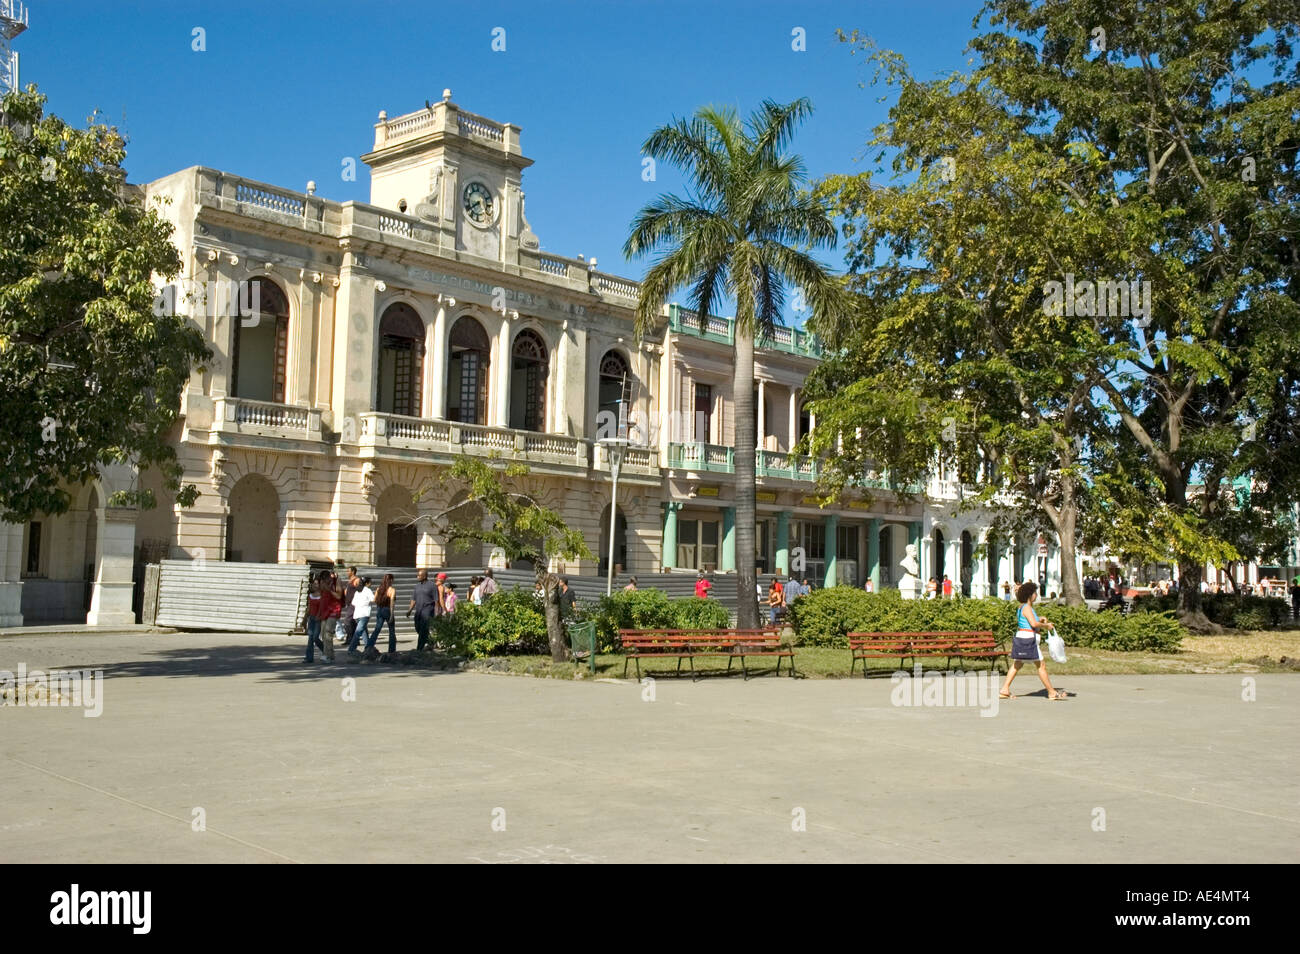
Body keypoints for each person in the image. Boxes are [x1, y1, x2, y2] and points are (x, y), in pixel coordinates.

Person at [1000, 580, 1066, 701]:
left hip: (1023, 637)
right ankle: (1051, 692)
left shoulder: (1023, 607)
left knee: (1017, 664)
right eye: (1035, 593)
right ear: (1030, 595)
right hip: (1029, 639)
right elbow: (1033, 623)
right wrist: (1047, 626)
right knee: (1041, 665)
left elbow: (1030, 620)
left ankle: (1005, 689)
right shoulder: (1027, 608)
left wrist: (1040, 619)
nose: (1036, 595)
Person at [407, 569, 439, 651]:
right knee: (418, 628)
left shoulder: (432, 586)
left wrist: (437, 612)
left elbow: (436, 600)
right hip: (419, 611)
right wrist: (410, 610)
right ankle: (431, 642)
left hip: (428, 611)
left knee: (423, 629)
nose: (417, 577)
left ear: (424, 576)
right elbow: (413, 599)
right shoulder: (417, 586)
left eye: (419, 575)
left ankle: (419, 648)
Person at [315, 570, 341, 662]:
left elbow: (338, 596)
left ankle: (327, 655)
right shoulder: (322, 586)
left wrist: (329, 589)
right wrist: (319, 613)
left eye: (325, 579)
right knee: (323, 634)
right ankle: (330, 654)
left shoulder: (336, 583)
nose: (323, 582)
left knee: (328, 633)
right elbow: (321, 598)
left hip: (333, 611)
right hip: (324, 611)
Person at [347, 576, 375, 654]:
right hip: (364, 614)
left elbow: (353, 603)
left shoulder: (357, 591)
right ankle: (351, 649)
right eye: (370, 583)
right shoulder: (368, 590)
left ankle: (368, 648)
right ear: (366, 583)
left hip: (357, 614)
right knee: (358, 632)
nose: (371, 584)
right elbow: (373, 599)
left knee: (364, 632)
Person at [303, 574, 325, 663]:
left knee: (315, 638)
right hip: (311, 618)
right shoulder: (310, 595)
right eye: (314, 584)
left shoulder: (322, 595)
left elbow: (322, 608)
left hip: (318, 619)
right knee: (310, 638)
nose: (316, 585)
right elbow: (308, 608)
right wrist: (304, 619)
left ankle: (326, 651)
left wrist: (319, 617)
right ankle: (309, 658)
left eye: (317, 584)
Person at [373, 573, 397, 653]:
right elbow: (392, 603)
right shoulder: (392, 590)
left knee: (377, 629)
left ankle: (369, 645)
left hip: (379, 609)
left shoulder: (378, 589)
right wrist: (391, 615)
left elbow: (375, 599)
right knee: (391, 630)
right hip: (387, 610)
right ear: (390, 580)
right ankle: (391, 650)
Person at [337, 566, 359, 645]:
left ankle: (351, 639)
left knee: (347, 622)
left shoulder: (356, 580)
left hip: (354, 604)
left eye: (348, 571)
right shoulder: (350, 580)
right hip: (349, 604)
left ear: (353, 572)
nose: (347, 572)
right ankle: (353, 640)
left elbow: (360, 591)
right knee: (352, 622)